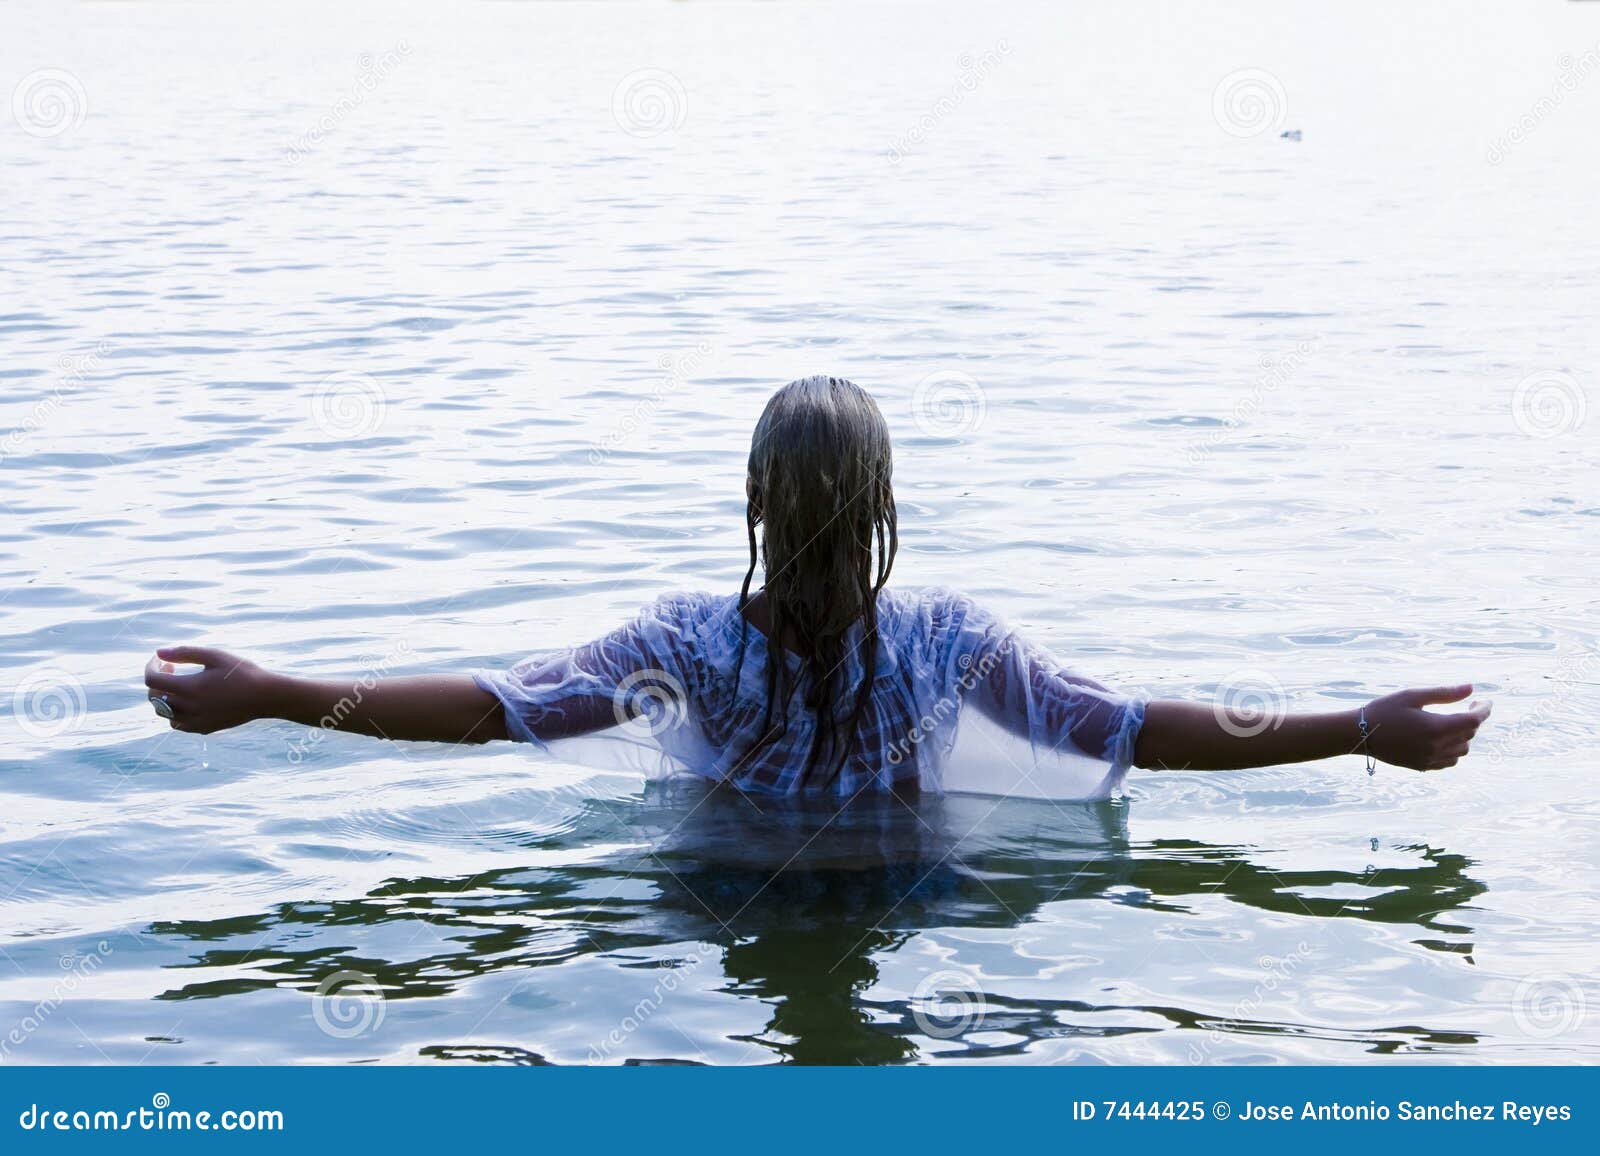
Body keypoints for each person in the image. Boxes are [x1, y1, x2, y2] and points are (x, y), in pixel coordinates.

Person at [142, 375, 1490, 801]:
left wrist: (278, 695)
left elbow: (497, 707)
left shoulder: (675, 643)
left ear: (750, 505)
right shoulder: (955, 644)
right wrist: (1358, 728)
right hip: (909, 909)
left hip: (710, 911)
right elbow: (1138, 729)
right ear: (890, 512)